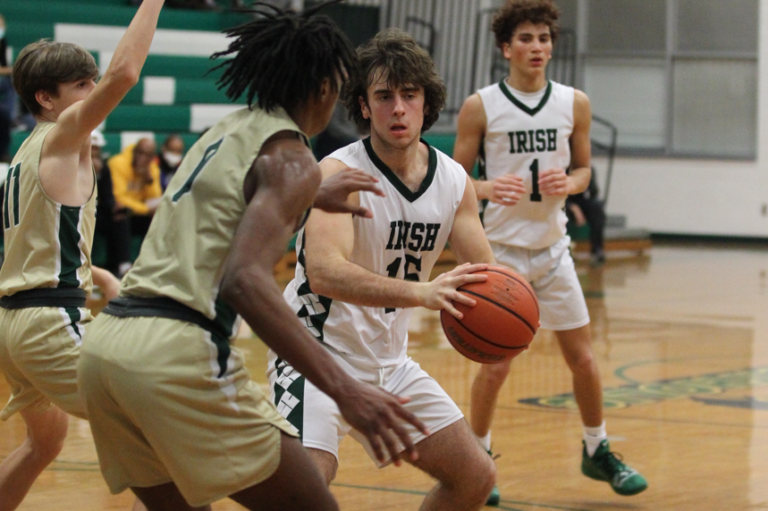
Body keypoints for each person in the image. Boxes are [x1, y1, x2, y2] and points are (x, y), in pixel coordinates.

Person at [77, 3, 430, 510]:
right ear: (327, 88)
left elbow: (220, 204)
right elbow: (244, 281)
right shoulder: (293, 158)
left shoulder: (223, 132)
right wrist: (346, 389)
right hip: (176, 351)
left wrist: (308, 195)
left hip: (107, 350)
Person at [269, 28, 497, 511]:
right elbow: (324, 272)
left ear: (426, 103)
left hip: (389, 364)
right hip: (313, 356)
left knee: (475, 477)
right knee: (304, 492)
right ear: (363, 105)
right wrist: (421, 293)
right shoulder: (337, 173)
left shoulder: (454, 181)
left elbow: (486, 273)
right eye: (384, 95)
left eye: (408, 95)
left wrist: (504, 310)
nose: (397, 108)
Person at [453, 0, 647, 502]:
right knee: (495, 365)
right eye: (525, 39)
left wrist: (573, 180)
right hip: (501, 251)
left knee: (582, 358)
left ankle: (597, 449)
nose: (536, 47)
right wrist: (491, 187)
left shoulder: (573, 103)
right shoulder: (481, 105)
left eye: (543, 38)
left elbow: (583, 170)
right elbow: (456, 183)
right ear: (505, 48)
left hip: (553, 248)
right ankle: (478, 459)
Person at [0, 1, 166, 509]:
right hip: (48, 321)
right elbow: (126, 73)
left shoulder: (26, 152)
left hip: (13, 323)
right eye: (81, 87)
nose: (94, 94)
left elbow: (34, 240)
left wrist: (93, 273)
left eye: (91, 83)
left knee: (44, 442)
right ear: (45, 98)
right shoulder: (61, 137)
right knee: (160, 429)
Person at [92, 129, 133, 277]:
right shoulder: (71, 164)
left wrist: (98, 175)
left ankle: (120, 265)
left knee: (119, 220)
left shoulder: (104, 167)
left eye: (96, 148)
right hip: (78, 212)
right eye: (91, 148)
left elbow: (107, 197)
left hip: (99, 213)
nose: (94, 152)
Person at [108, 137, 162, 237]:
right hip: (119, 212)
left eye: (148, 155)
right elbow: (118, 198)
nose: (142, 158)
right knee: (121, 217)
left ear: (152, 157)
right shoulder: (118, 163)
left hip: (138, 213)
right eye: (140, 153)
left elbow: (155, 199)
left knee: (160, 220)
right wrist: (145, 209)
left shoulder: (152, 168)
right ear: (134, 151)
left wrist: (149, 181)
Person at [566, 167, 606, 266]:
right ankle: (565, 251)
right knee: (561, 211)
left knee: (597, 208)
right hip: (564, 201)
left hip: (581, 201)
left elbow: (594, 192)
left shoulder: (589, 168)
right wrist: (572, 207)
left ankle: (597, 251)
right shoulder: (562, 166)